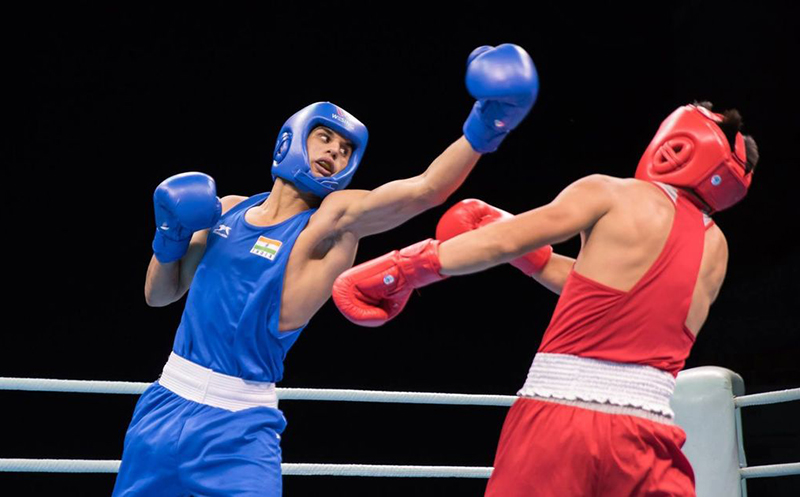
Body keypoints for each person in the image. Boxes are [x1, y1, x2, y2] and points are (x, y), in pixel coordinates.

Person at [112, 43, 539, 496]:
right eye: (325, 138)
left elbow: (424, 190)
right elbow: (160, 295)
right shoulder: (227, 209)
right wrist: (169, 238)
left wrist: (485, 127)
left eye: (346, 149)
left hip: (238, 428)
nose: (335, 151)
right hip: (164, 404)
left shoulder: (329, 223)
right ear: (291, 138)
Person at [332, 102, 760, 496]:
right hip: (649, 436)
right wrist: (537, 261)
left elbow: (502, 241)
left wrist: (400, 271)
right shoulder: (716, 249)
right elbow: (607, 293)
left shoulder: (611, 192)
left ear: (676, 144)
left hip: (558, 420)